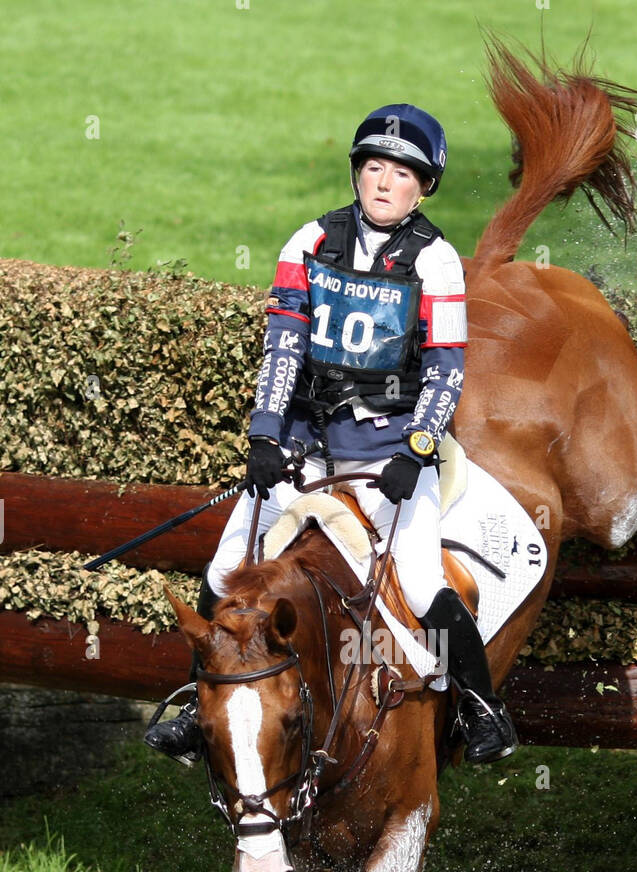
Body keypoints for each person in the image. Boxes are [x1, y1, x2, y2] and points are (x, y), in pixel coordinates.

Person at [145, 104, 518, 767]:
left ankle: (481, 708)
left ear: (423, 186)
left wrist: (419, 451)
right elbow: (282, 350)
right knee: (222, 569)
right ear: (356, 173)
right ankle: (196, 705)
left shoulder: (434, 262)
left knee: (424, 581)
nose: (382, 183)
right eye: (372, 167)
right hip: (306, 455)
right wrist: (266, 437)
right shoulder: (308, 243)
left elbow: (445, 371)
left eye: (400, 174)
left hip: (389, 461)